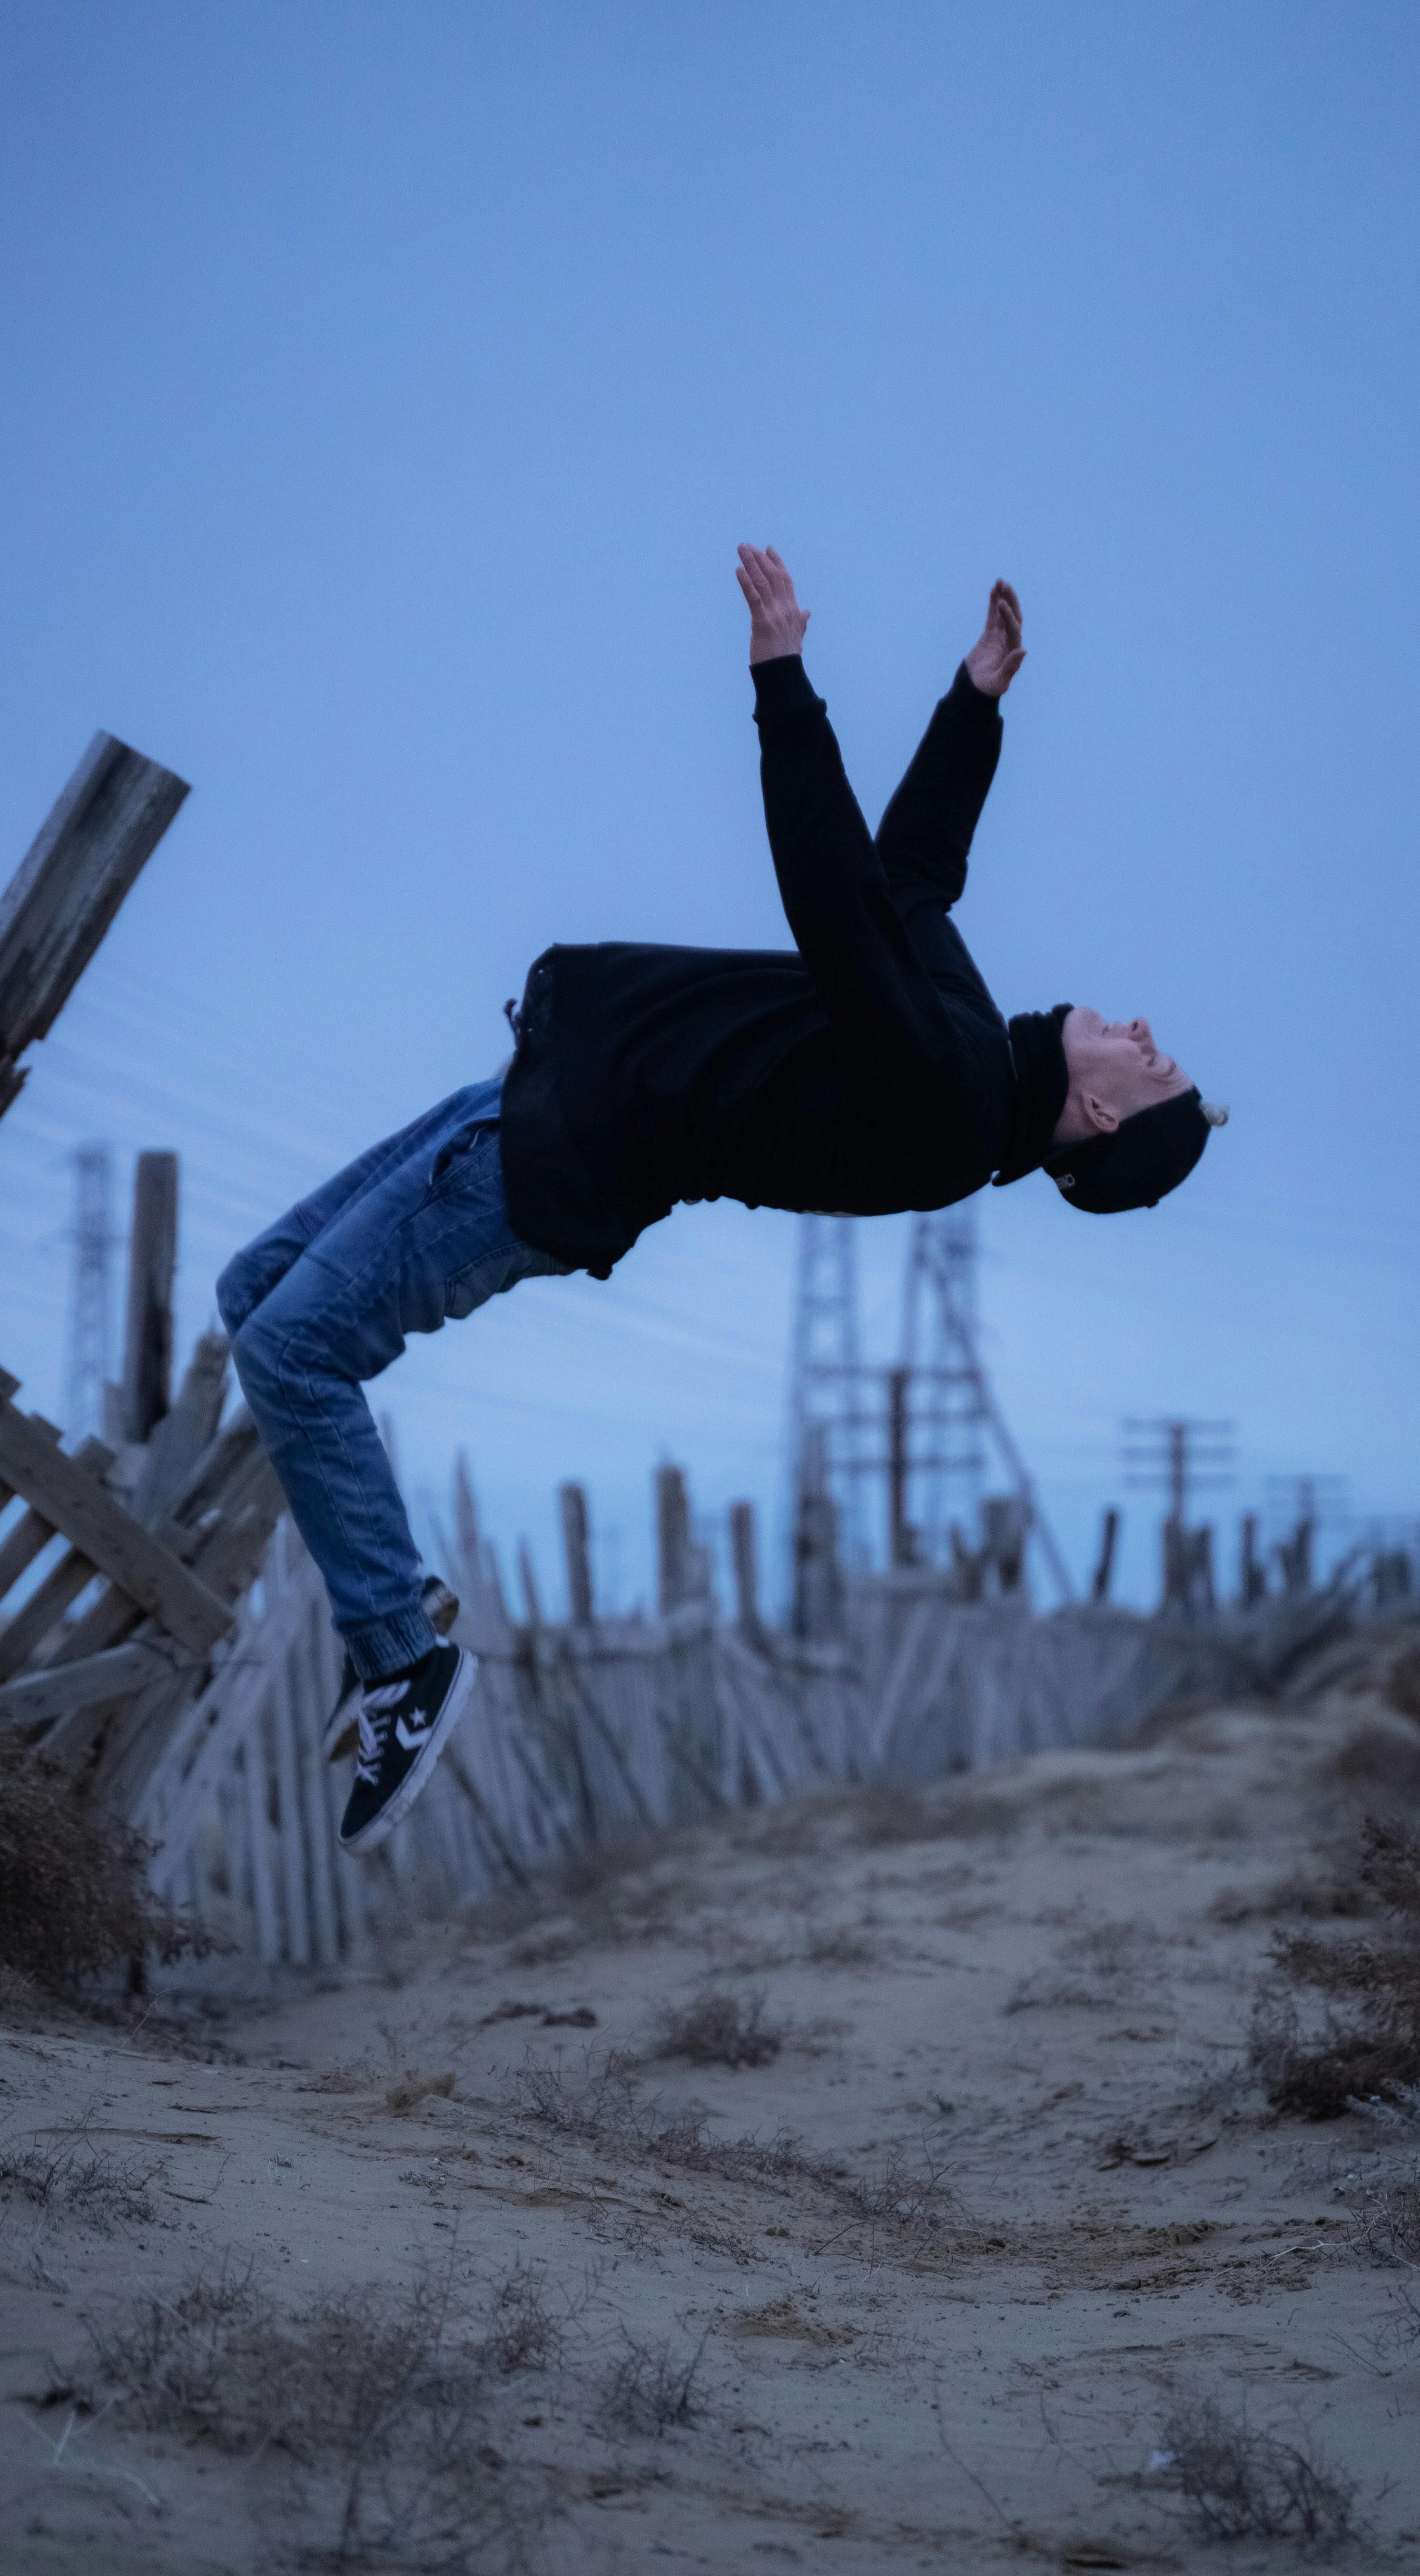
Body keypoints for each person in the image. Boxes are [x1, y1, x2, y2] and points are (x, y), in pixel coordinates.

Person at [217, 545, 1224, 1853]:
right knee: (256, 1295)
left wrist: (783, 682)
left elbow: (836, 898)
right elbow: (908, 885)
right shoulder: (977, 1055)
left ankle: (400, 1654)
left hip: (547, 1157)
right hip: (524, 1110)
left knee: (295, 1350)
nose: (1142, 1029)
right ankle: (382, 1623)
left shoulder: (951, 1103)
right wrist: (975, 707)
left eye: (1152, 1062)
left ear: (1099, 1116)